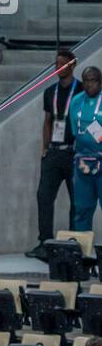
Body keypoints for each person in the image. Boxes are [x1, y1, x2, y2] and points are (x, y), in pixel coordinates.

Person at [26, 49, 79, 260]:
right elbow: (48, 121)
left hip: (74, 152)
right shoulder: (50, 91)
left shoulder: (81, 91)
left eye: (63, 64)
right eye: (57, 64)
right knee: (44, 196)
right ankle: (44, 242)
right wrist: (44, 148)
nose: (59, 68)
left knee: (77, 200)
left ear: (73, 65)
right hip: (54, 152)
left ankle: (74, 243)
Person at [69, 65, 102, 233]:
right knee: (82, 208)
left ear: (100, 82)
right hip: (82, 162)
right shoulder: (76, 102)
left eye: (93, 81)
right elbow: (76, 131)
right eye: (86, 81)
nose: (90, 85)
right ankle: (83, 253)